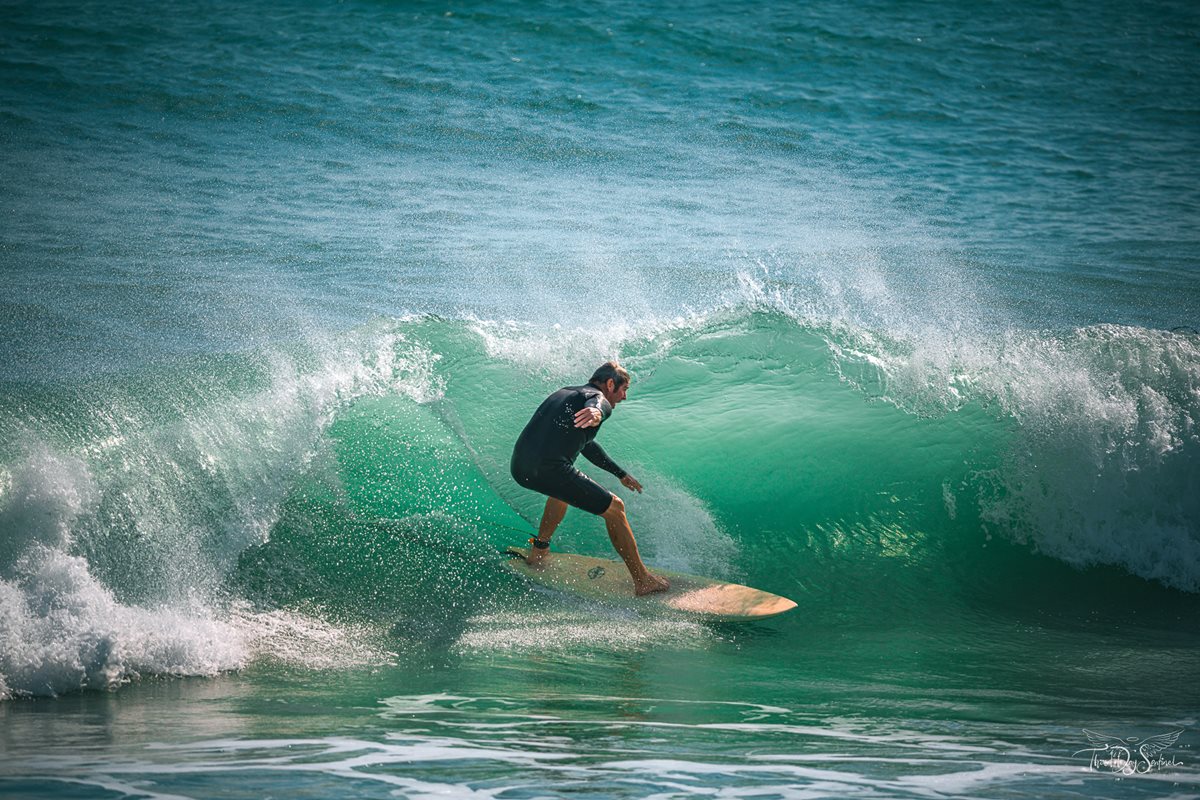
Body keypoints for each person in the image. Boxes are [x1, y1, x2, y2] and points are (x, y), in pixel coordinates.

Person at [510, 361, 670, 596]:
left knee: (560, 494)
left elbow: (586, 445)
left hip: (520, 468)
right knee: (615, 508)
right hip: (550, 469)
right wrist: (597, 411)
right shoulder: (594, 397)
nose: (624, 397)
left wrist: (620, 473)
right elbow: (600, 404)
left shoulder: (566, 393)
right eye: (624, 389)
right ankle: (643, 580)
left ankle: (539, 551)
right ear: (610, 383)